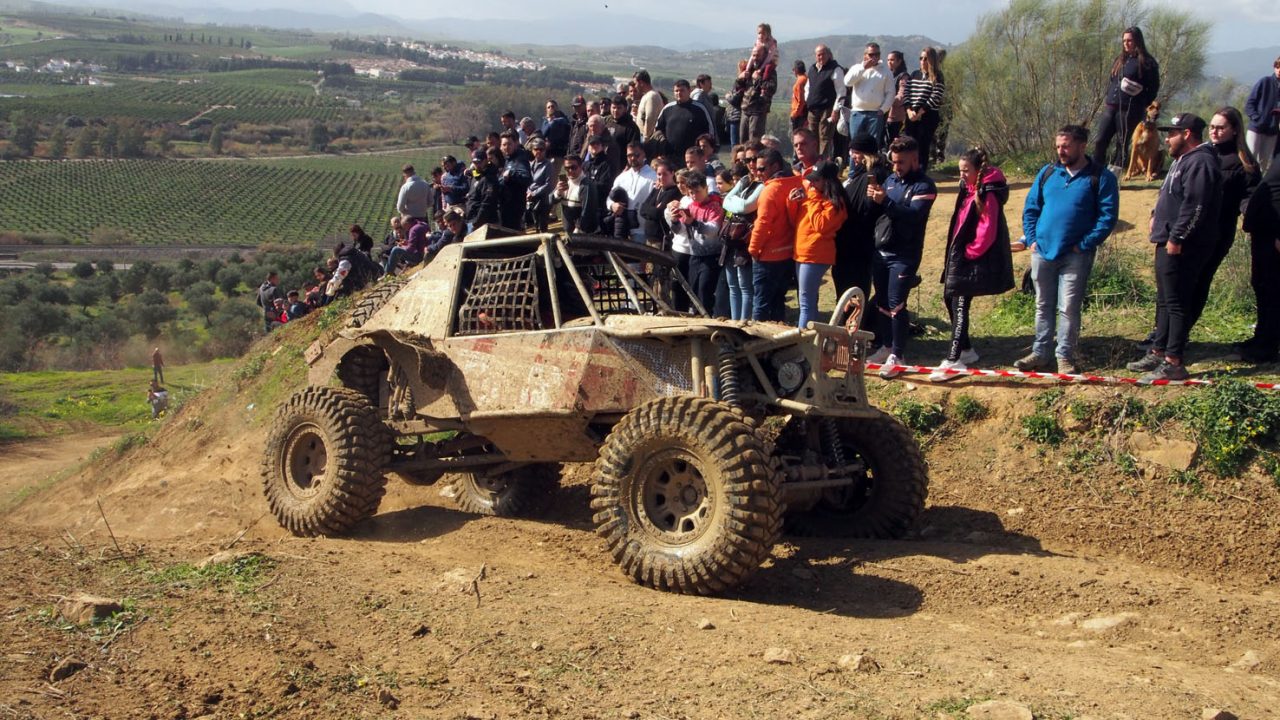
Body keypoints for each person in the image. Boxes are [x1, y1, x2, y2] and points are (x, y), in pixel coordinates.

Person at [1126, 113, 1222, 382]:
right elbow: (1172, 197)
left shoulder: (1201, 162)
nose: (1167, 139)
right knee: (1165, 301)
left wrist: (1177, 238)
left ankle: (1174, 362)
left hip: (1183, 246)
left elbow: (1196, 205)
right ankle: (1159, 351)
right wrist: (1156, 216)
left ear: (1188, 134)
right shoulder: (1184, 160)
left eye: (1172, 133)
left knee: (1177, 302)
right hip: (1166, 240)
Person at [1018, 125, 1120, 374]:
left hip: (1076, 255)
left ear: (1082, 146)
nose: (1061, 151)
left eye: (1066, 146)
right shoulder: (1048, 173)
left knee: (1069, 307)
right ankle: (1040, 352)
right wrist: (1032, 238)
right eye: (1058, 146)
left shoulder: (1101, 177)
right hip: (1043, 251)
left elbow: (1107, 218)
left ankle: (1065, 355)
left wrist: (1083, 244)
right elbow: (1031, 208)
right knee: (1043, 304)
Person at [930, 148, 1014, 381]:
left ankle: (953, 358)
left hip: (970, 256)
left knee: (960, 303)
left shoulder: (988, 192)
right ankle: (966, 350)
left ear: (978, 171)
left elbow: (988, 228)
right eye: (960, 170)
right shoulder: (967, 189)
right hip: (957, 254)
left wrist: (970, 251)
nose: (961, 175)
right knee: (949, 297)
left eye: (965, 170)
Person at [866, 136, 937, 378]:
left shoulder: (924, 186)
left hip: (904, 254)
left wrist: (884, 201)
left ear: (915, 159)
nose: (896, 167)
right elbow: (881, 212)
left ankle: (898, 353)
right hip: (881, 250)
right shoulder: (891, 180)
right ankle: (886, 346)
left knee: (896, 304)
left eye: (902, 162)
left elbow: (913, 216)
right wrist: (874, 199)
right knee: (883, 303)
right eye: (894, 162)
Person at [1186, 107, 1261, 328]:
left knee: (1200, 280)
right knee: (1179, 282)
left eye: (1221, 128)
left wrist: (1251, 217)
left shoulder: (1244, 163)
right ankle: (1164, 334)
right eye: (1212, 127)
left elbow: (1250, 197)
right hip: (1190, 228)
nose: (1215, 132)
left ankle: (1182, 332)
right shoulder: (1201, 153)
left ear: (1235, 130)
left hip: (1219, 232)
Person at [789, 160, 848, 329]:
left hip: (815, 255)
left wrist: (812, 198)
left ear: (827, 181)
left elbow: (820, 226)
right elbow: (796, 222)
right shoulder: (813, 198)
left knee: (806, 303)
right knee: (808, 301)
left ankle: (802, 345)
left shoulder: (835, 203)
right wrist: (794, 202)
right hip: (802, 252)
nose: (812, 184)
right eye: (811, 180)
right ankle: (812, 341)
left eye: (816, 180)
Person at [1093, 27, 1160, 170]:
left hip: (1130, 109)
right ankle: (1095, 173)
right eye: (1124, 41)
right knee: (1100, 141)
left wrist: (1140, 100)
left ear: (1137, 41)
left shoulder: (1148, 62)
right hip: (1111, 106)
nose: (1126, 43)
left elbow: (1153, 88)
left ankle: (1115, 178)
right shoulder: (1120, 60)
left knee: (1121, 144)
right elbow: (1112, 80)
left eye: (1129, 40)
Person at [748, 148, 803, 321]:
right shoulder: (797, 182)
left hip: (767, 256)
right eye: (757, 169)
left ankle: (757, 342)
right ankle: (779, 343)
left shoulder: (771, 191)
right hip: (787, 254)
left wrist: (753, 249)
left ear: (775, 166)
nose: (758, 173)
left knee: (761, 304)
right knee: (778, 301)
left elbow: (763, 223)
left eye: (762, 169)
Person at [835, 133, 889, 300]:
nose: (852, 156)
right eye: (851, 151)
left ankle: (853, 325)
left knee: (854, 292)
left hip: (859, 244)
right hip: (847, 243)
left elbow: (868, 209)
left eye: (856, 152)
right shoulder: (858, 175)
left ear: (867, 154)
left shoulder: (875, 175)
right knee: (844, 290)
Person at [665, 170, 724, 313]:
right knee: (693, 290)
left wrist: (694, 222)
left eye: (697, 192)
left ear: (706, 189)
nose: (694, 196)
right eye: (691, 192)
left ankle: (708, 319)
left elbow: (713, 230)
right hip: (694, 255)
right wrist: (673, 220)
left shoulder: (714, 206)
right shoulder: (690, 205)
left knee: (705, 290)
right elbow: (679, 231)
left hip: (711, 256)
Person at [1241, 154, 1280, 361]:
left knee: (1273, 290)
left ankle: (1268, 346)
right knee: (1261, 284)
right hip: (1264, 231)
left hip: (1274, 235)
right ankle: (1261, 337)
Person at [721, 158, 763, 320]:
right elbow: (726, 202)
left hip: (745, 240)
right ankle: (734, 322)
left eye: (754, 160)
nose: (751, 164)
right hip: (731, 239)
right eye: (748, 160)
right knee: (733, 286)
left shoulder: (762, 186)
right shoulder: (746, 184)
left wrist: (734, 198)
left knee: (745, 287)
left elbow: (744, 207)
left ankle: (743, 326)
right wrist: (738, 187)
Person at [842, 43, 895, 152]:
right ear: (865, 55)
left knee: (873, 144)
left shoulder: (886, 71)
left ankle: (871, 168)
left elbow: (890, 93)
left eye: (877, 54)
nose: (874, 57)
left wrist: (883, 109)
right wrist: (863, 68)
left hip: (875, 113)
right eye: (871, 54)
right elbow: (847, 82)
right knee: (855, 144)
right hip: (857, 112)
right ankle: (855, 169)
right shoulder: (857, 68)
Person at [902, 47, 947, 172]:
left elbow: (936, 96)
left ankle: (921, 171)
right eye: (921, 58)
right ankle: (909, 170)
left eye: (926, 59)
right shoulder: (914, 75)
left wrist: (921, 111)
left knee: (922, 145)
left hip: (928, 116)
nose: (922, 61)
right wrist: (909, 110)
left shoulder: (937, 76)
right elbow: (907, 93)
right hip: (911, 115)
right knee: (910, 145)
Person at [654, 79, 715, 161]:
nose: (679, 93)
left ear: (689, 91)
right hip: (669, 156)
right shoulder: (667, 109)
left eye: (682, 90)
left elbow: (709, 133)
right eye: (676, 91)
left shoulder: (699, 109)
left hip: (692, 158)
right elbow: (657, 131)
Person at [609, 142, 657, 244]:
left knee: (638, 259)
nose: (632, 158)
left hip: (642, 231)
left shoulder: (654, 177)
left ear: (644, 154)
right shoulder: (621, 177)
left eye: (636, 155)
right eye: (629, 155)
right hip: (621, 228)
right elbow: (609, 198)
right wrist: (612, 205)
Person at [805, 45, 846, 158]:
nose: (821, 57)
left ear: (828, 55)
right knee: (812, 138)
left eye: (823, 54)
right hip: (813, 109)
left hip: (827, 109)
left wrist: (836, 110)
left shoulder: (836, 69)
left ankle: (823, 163)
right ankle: (813, 163)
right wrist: (808, 101)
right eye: (818, 55)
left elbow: (841, 92)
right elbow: (808, 88)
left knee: (825, 137)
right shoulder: (812, 69)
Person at [1244, 57, 1280, 175]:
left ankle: (1258, 188)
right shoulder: (1265, 82)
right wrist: (1257, 118)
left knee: (1263, 163)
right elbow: (1250, 104)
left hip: (1272, 131)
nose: (1279, 70)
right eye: (1277, 67)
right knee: (1250, 158)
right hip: (1256, 128)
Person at [553, 154, 599, 235]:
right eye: (567, 168)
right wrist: (558, 192)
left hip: (585, 234)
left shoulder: (587, 185)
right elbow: (549, 201)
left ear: (581, 167)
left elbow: (587, 211)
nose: (570, 171)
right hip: (568, 232)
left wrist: (578, 229)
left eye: (573, 167)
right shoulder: (564, 182)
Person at [498, 132, 532, 230]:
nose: (506, 147)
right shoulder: (508, 159)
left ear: (515, 144)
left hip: (514, 206)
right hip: (506, 204)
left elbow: (527, 178)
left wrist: (511, 174)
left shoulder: (520, 159)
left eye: (509, 144)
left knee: (513, 235)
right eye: (504, 144)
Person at [525, 138, 555, 233]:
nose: (538, 152)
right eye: (535, 149)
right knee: (532, 226)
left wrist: (533, 193)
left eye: (541, 149)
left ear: (545, 151)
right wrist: (528, 192)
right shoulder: (530, 164)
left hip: (543, 199)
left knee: (542, 227)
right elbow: (527, 181)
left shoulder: (548, 165)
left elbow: (549, 185)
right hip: (530, 199)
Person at [885, 51, 909, 144]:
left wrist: (887, 100)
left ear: (899, 61)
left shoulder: (903, 76)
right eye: (888, 60)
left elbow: (901, 96)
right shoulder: (888, 75)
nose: (889, 62)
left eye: (892, 60)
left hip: (898, 117)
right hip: (886, 116)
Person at [633, 70, 665, 141]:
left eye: (635, 84)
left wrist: (646, 137)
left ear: (641, 82)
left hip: (647, 138)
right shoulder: (648, 95)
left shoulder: (651, 96)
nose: (635, 86)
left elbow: (650, 118)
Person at [541, 99, 571, 167]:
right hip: (547, 155)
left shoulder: (562, 121)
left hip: (558, 155)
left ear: (557, 108)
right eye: (548, 107)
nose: (551, 108)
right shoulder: (545, 121)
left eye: (552, 106)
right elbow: (543, 134)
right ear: (546, 110)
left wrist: (552, 122)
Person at [790, 60, 808, 131]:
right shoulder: (806, 78)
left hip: (799, 115)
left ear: (796, 70)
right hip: (803, 113)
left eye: (793, 69)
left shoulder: (800, 82)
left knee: (796, 135)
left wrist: (795, 114)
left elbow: (801, 100)